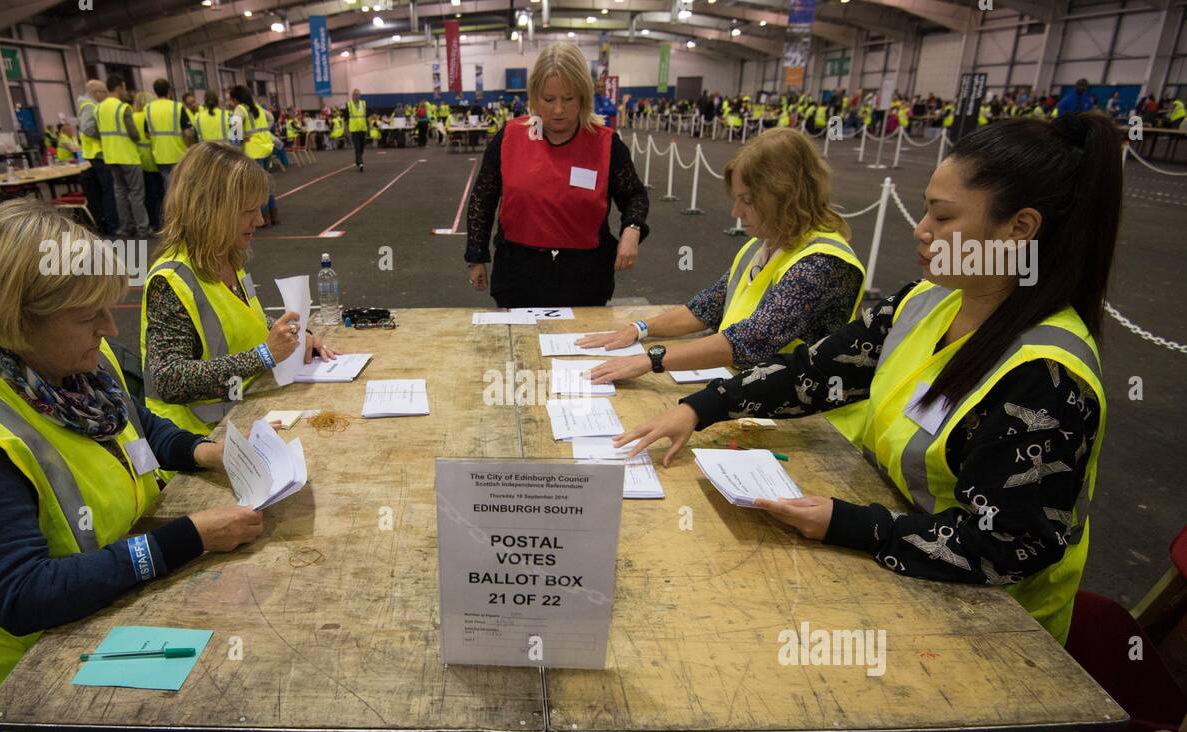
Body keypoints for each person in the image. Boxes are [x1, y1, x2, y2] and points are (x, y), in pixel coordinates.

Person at [618, 113, 1120, 644]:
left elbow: (1001, 546)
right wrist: (701, 407)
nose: (921, 229)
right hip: (901, 555)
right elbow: (813, 370)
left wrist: (850, 524)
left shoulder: (1048, 376)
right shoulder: (927, 301)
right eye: (925, 209)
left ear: (1019, 228)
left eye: (943, 217)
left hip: (989, 624)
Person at [0, 200, 265, 732]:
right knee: (233, 683)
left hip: (114, 594)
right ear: (19, 321)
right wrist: (187, 539)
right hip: (41, 661)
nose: (109, 328)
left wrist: (206, 452)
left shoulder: (73, 360)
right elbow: (22, 594)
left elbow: (138, 430)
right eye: (89, 316)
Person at [575, 129, 863, 384]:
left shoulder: (822, 264)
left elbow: (750, 340)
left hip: (811, 420)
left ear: (785, 197)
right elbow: (706, 307)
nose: (736, 213)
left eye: (747, 201)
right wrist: (639, 328)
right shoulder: (766, 243)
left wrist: (651, 359)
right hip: (751, 388)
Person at [141, 142, 337, 436]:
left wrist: (295, 336)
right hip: (199, 444)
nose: (259, 220)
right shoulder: (170, 281)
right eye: (247, 211)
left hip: (244, 416)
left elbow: (237, 323)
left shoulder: (229, 258)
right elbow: (168, 378)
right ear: (208, 210)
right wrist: (264, 355)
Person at [465, 42, 649, 308]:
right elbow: (482, 198)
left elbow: (635, 196)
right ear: (534, 96)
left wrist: (632, 231)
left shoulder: (607, 144)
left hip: (585, 279)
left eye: (569, 98)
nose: (559, 110)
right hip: (518, 276)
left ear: (584, 96)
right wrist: (476, 256)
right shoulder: (509, 138)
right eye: (548, 100)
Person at [97, 74, 151, 238]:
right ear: (119, 87)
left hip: (111, 157)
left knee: (120, 193)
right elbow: (134, 134)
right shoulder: (123, 108)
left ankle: (125, 227)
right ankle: (143, 228)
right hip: (128, 156)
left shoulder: (98, 108)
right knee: (136, 194)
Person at [227, 85, 278, 226]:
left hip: (253, 151)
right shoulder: (257, 108)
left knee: (257, 187)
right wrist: (264, 131)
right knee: (266, 183)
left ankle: (264, 218)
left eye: (230, 99)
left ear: (235, 98)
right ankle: (273, 215)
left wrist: (237, 140)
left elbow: (235, 123)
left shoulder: (240, 109)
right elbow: (271, 118)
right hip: (266, 148)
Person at [76, 79, 118, 235]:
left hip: (98, 154)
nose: (106, 95)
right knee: (109, 191)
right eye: (104, 92)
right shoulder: (89, 106)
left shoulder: (91, 106)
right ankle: (111, 225)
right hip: (98, 154)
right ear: (95, 92)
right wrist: (105, 136)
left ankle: (110, 223)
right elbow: (87, 128)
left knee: (108, 190)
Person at [147, 78, 195, 187]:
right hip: (178, 153)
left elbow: (147, 133)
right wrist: (189, 148)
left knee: (168, 186)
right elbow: (188, 133)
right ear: (169, 91)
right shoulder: (177, 107)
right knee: (182, 185)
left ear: (155, 92)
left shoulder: (148, 108)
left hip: (159, 155)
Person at [133, 90, 166, 230]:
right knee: (161, 192)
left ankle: (153, 223)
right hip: (156, 155)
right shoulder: (150, 115)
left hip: (139, 157)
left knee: (148, 195)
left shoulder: (133, 117)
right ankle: (163, 221)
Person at [346, 88, 368, 171]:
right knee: (357, 146)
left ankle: (357, 160)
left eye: (359, 95)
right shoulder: (349, 104)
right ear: (352, 96)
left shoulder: (363, 104)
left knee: (362, 146)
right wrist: (346, 128)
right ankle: (360, 162)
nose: (357, 96)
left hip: (362, 128)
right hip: (354, 129)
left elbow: (366, 115)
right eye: (355, 95)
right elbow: (346, 117)